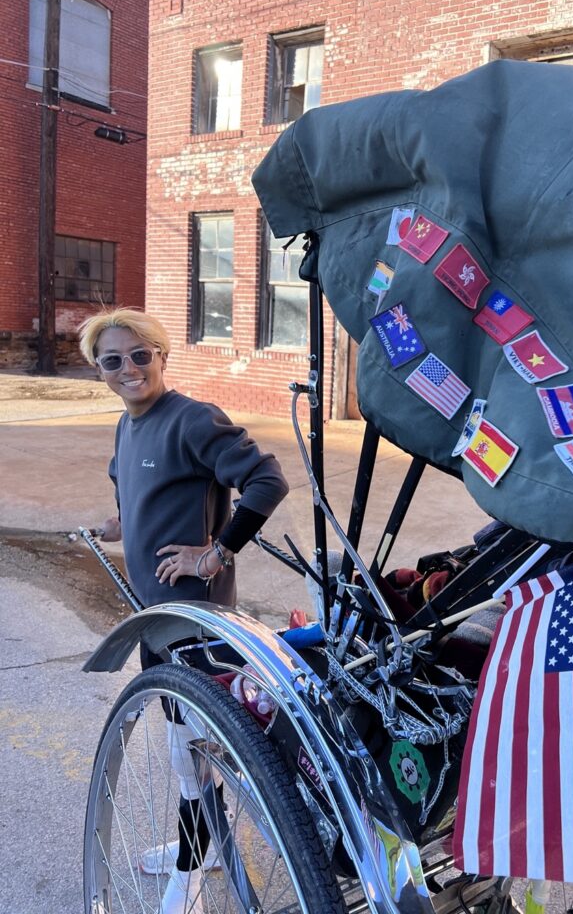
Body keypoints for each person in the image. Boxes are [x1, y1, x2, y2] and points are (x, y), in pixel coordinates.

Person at [79, 307, 289, 914]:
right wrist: (113, 526)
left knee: (191, 753)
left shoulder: (193, 420)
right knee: (187, 751)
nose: (129, 369)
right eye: (113, 360)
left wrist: (215, 552)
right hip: (154, 619)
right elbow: (133, 494)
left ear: (162, 357)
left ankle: (190, 877)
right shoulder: (128, 426)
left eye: (141, 355)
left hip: (195, 624)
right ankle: (205, 846)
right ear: (100, 371)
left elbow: (266, 479)